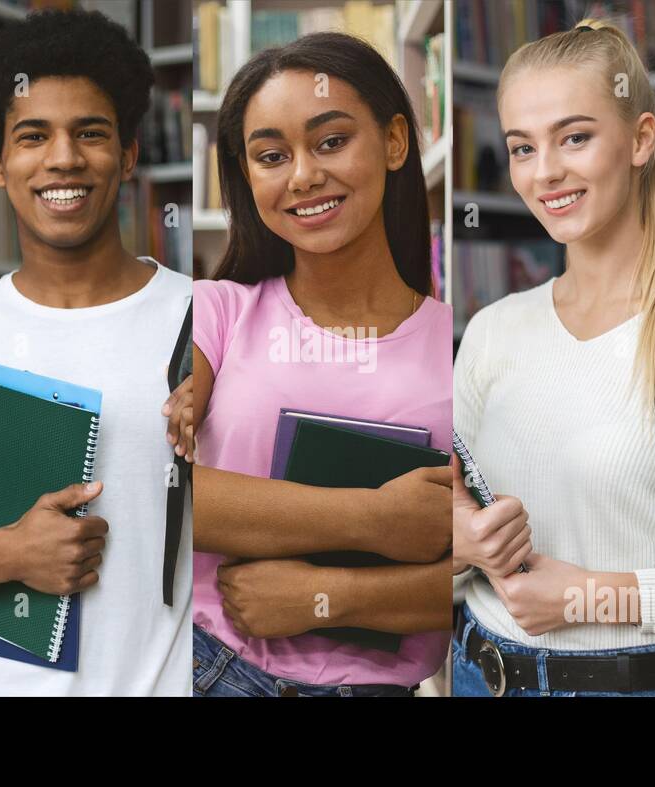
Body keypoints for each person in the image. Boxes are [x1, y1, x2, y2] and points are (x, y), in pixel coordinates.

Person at [0, 8, 193, 697]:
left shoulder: (204, 319)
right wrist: (2, 553)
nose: (64, 158)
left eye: (91, 133)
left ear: (129, 154)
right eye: (32, 136)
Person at [451, 19, 655, 697]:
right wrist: (460, 545)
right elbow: (442, 532)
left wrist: (590, 599)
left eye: (574, 137)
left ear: (641, 139)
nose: (546, 173)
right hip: (477, 670)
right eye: (521, 147)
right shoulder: (491, 330)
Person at [189, 32, 452, 697]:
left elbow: (491, 581)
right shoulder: (213, 313)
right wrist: (379, 519)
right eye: (272, 155)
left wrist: (325, 596)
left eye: (331, 141)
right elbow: (151, 484)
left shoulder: (464, 344)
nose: (303, 175)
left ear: (395, 142)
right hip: (208, 668)